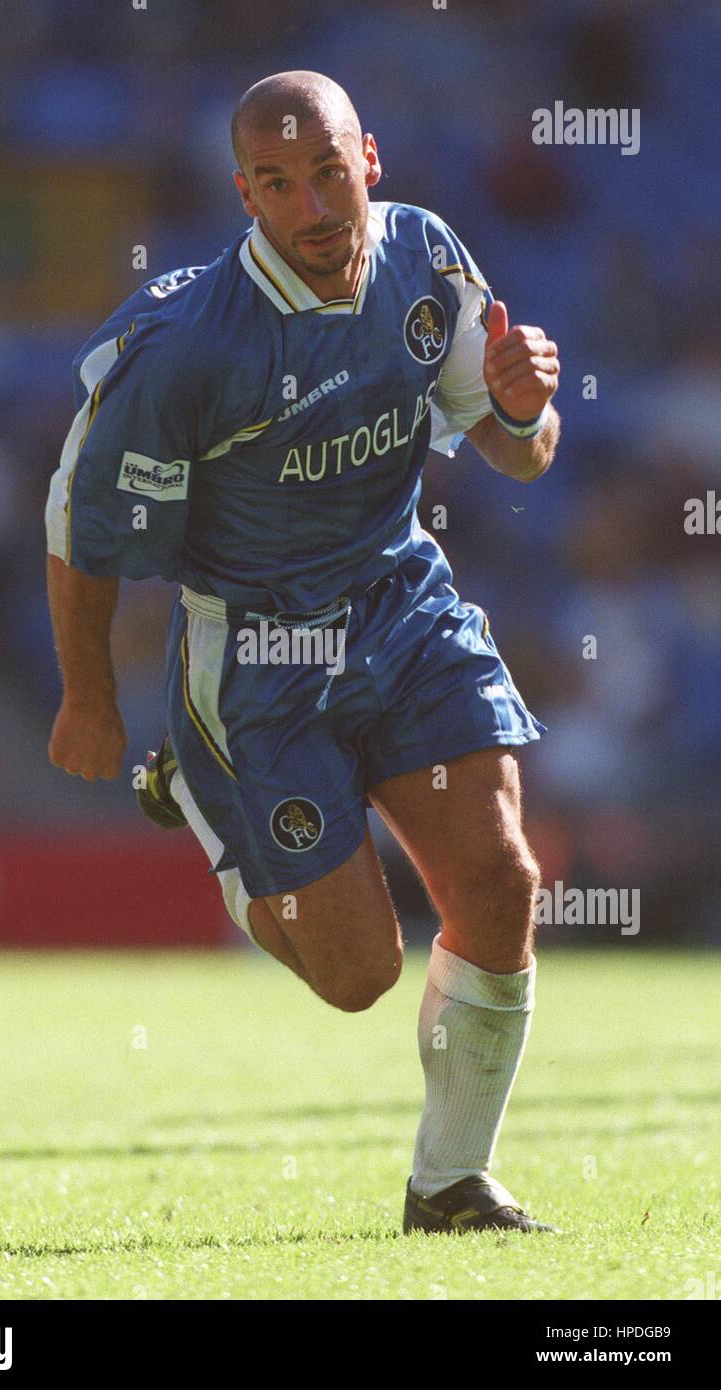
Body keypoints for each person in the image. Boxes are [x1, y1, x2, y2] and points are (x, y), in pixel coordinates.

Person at [45, 71, 561, 1234]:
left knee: (499, 877)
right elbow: (82, 528)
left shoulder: (426, 257)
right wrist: (88, 698)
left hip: (400, 601)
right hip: (258, 652)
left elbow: (515, 451)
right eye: (279, 185)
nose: (313, 206)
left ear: (367, 160)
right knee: (356, 976)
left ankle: (449, 1182)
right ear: (244, 197)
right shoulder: (183, 343)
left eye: (328, 172)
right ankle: (202, 786)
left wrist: (525, 410)